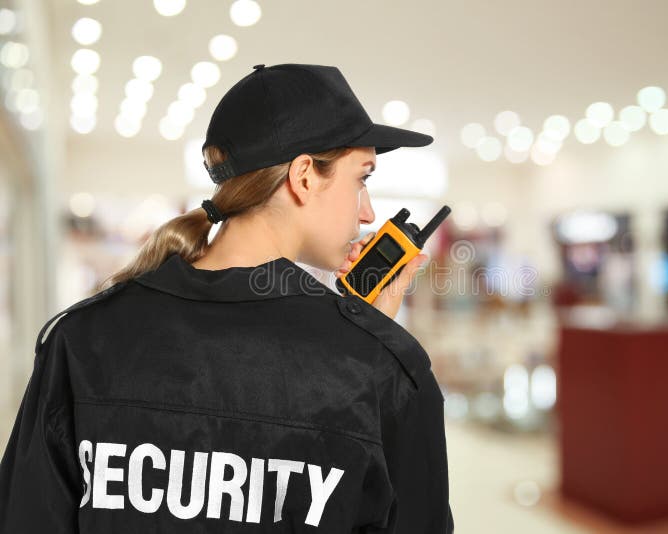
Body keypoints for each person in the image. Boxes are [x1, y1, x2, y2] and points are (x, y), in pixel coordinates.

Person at [0, 63, 455, 533]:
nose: (368, 213)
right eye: (362, 178)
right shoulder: (385, 370)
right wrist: (373, 342)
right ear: (303, 176)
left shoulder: (81, 339)